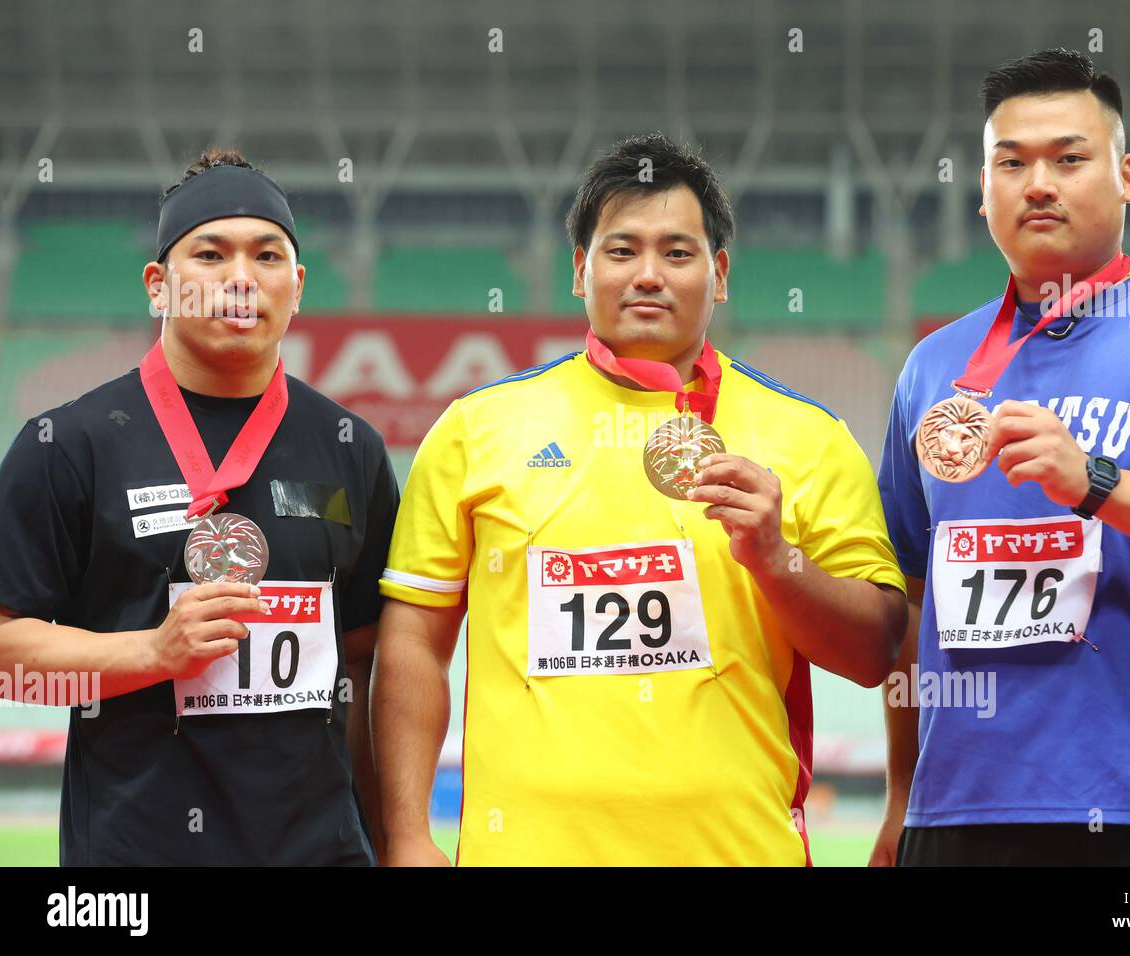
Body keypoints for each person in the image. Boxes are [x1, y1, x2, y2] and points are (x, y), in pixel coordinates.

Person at [373, 132, 907, 866]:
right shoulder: (475, 430)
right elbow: (413, 644)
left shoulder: (809, 437)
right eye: (621, 251)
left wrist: (776, 560)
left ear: (719, 274)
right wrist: (405, 833)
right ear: (578, 271)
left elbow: (875, 650)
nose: (648, 275)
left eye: (678, 253)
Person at [874, 49, 1130, 866]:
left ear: (1127, 175)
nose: (1038, 183)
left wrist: (1099, 484)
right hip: (958, 816)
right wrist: (901, 798)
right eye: (1011, 162)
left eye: (1070, 159)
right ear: (984, 186)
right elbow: (911, 597)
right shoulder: (933, 367)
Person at [0, 148, 398, 865]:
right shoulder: (68, 445)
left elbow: (370, 663)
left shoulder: (349, 449)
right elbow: (5, 662)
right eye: (210, 254)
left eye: (267, 256)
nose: (241, 279)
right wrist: (152, 652)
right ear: (159, 285)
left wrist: (395, 840)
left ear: (297, 286)